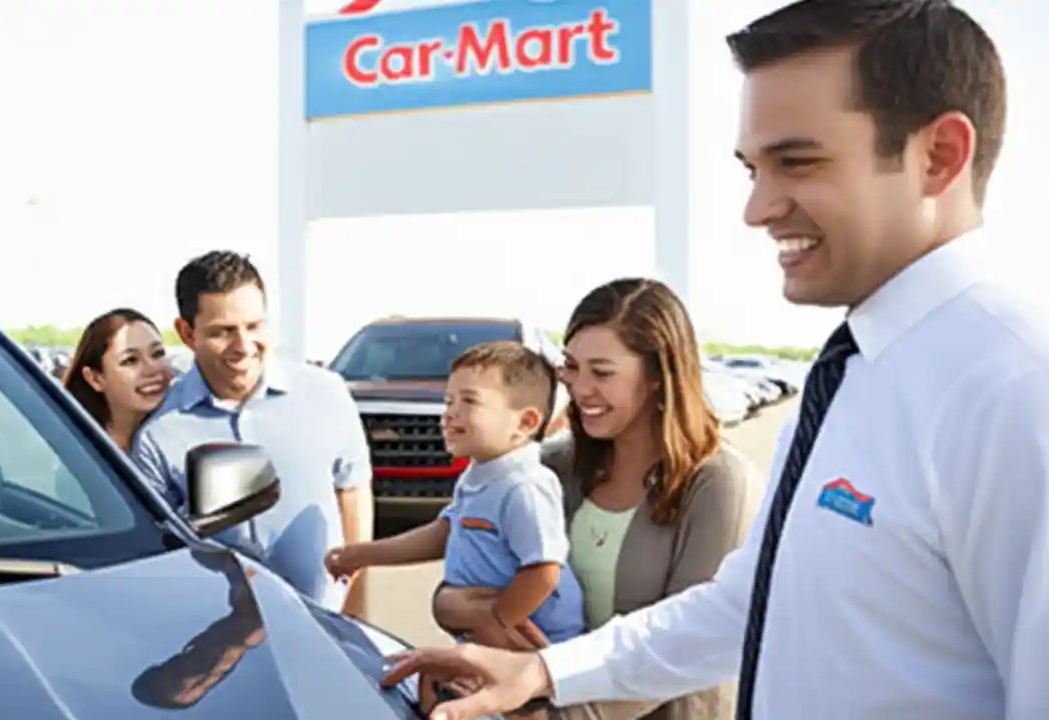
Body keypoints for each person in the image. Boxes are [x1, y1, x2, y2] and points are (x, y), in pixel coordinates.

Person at [381, 2, 1049, 718]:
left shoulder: (1015, 392)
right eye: (752, 168)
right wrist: (542, 672)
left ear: (939, 155)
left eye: (798, 162)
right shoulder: (851, 372)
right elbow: (748, 605)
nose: (757, 208)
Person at [428, 279, 757, 720]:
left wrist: (549, 713)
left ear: (659, 377)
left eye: (601, 373)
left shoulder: (718, 485)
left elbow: (689, 643)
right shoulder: (548, 467)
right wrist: (450, 608)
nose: (579, 389)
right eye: (571, 367)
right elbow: (463, 556)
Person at [131, 250, 374, 615]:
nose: (243, 346)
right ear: (186, 333)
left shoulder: (326, 393)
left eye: (254, 326)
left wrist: (357, 615)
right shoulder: (159, 433)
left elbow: (352, 495)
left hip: (325, 627)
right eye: (222, 332)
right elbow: (156, 553)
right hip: (215, 634)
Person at [325, 341, 586, 651]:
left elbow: (543, 572)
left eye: (469, 402)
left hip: (539, 645)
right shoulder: (478, 477)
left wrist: (495, 623)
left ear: (525, 422)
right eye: (449, 402)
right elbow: (445, 533)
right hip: (489, 633)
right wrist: (362, 555)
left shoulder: (525, 486)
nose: (450, 414)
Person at [63, 308, 174, 452]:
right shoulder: (80, 452)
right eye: (130, 360)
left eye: (158, 353)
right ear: (95, 379)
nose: (152, 369)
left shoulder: (185, 435)